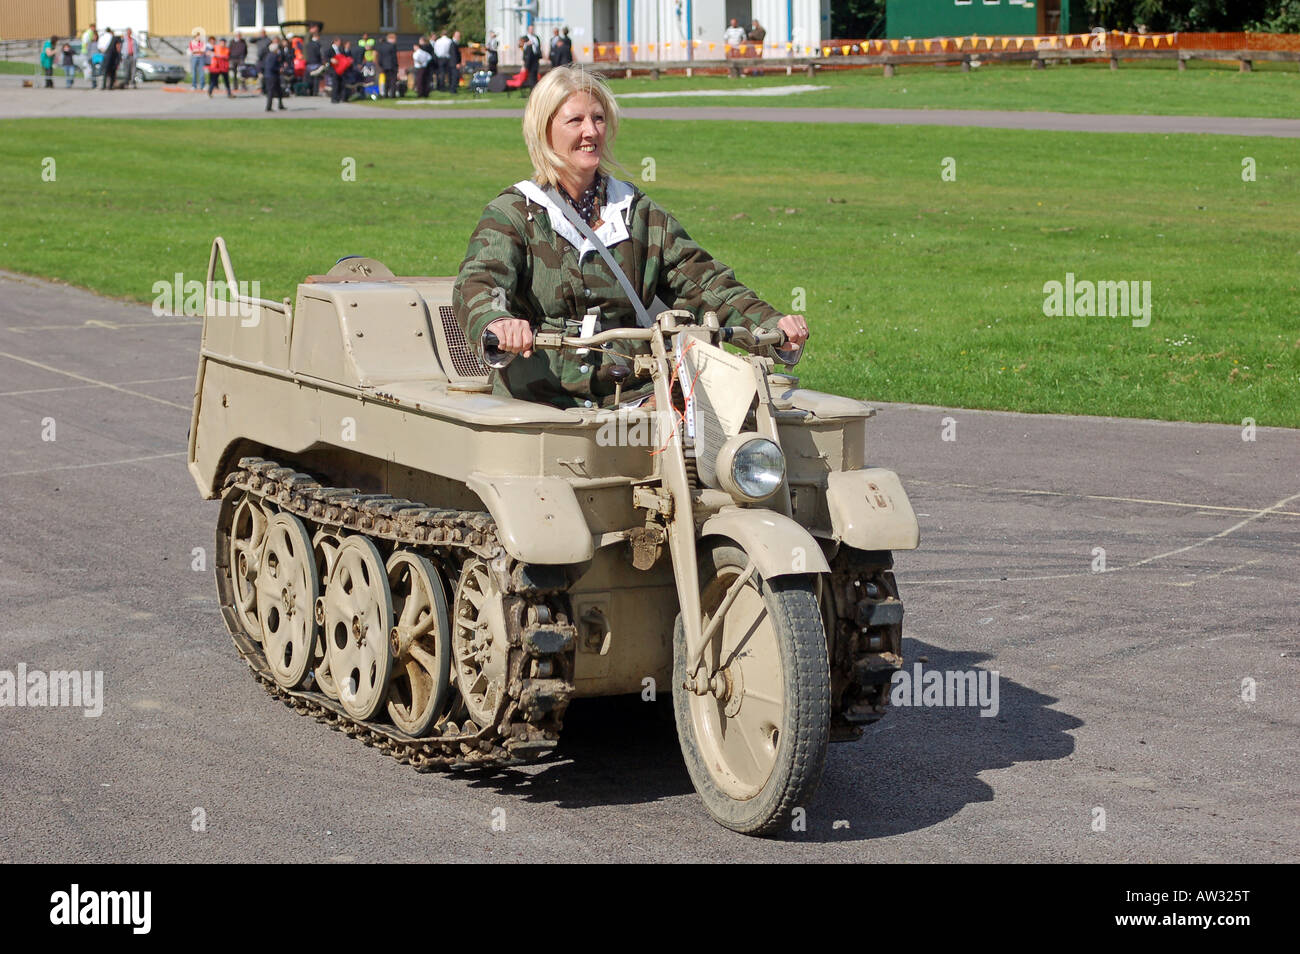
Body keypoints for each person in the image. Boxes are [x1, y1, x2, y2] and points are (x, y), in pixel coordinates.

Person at [452, 68, 808, 409]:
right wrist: (496, 322)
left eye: (598, 118)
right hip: (540, 404)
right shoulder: (516, 212)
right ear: (544, 131)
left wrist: (769, 323)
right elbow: (479, 283)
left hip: (634, 398)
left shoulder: (636, 211)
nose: (590, 131)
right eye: (575, 120)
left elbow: (705, 283)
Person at [263, 40, 286, 111]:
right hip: (272, 76)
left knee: (278, 91)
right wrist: (279, 69)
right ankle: (268, 107)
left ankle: (280, 104)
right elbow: (272, 67)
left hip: (269, 75)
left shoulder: (268, 55)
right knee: (271, 92)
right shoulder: (273, 56)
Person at [378, 32, 398, 97]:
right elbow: (394, 57)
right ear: (391, 39)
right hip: (392, 65)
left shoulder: (381, 46)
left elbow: (380, 57)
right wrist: (396, 65)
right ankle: (392, 94)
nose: (395, 41)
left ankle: (385, 94)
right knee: (393, 80)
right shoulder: (392, 46)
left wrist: (381, 65)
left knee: (386, 80)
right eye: (395, 39)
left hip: (384, 66)